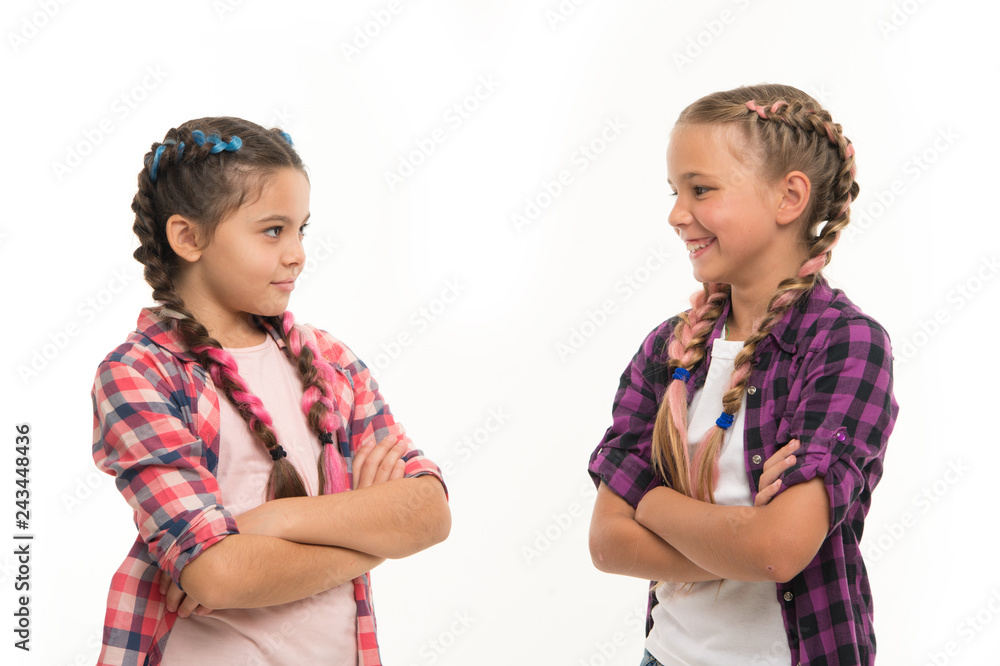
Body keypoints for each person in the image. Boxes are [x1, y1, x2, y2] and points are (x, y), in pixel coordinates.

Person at [91, 117, 450, 666]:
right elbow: (218, 575)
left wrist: (272, 522)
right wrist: (368, 528)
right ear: (189, 238)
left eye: (301, 229)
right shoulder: (141, 375)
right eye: (272, 230)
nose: (298, 253)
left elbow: (428, 514)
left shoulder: (330, 362)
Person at [587, 84, 898, 665]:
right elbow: (608, 543)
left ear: (789, 198)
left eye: (701, 189)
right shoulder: (667, 348)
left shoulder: (846, 344)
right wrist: (744, 535)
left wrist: (645, 497)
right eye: (676, 192)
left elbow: (780, 551)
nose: (677, 215)